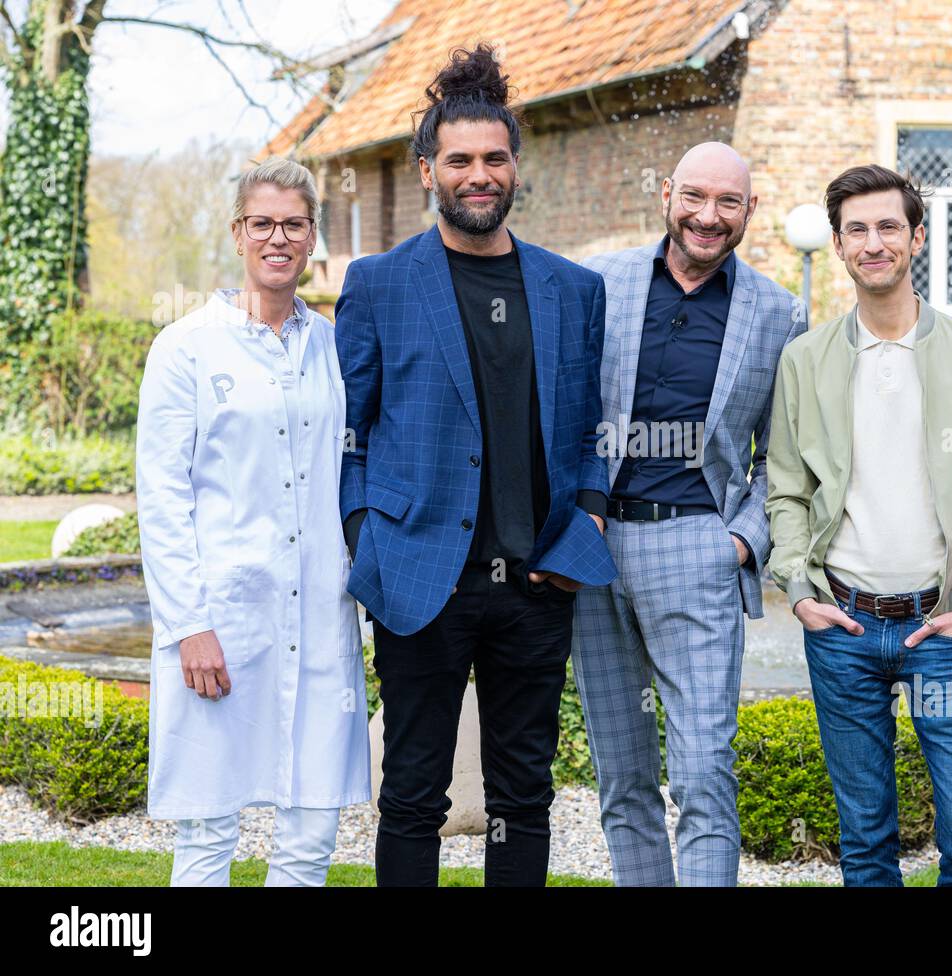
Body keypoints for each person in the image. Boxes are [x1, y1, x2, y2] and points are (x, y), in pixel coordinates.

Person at [334, 44, 615, 887]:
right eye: (460, 160)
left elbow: (595, 429)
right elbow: (347, 431)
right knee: (413, 793)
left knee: (523, 795)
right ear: (428, 171)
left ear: (515, 167)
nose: (480, 174)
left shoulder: (573, 288)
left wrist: (588, 525)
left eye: (495, 158)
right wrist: (366, 537)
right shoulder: (377, 284)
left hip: (536, 585)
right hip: (420, 578)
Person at [765, 164, 952, 886]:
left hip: (942, 631)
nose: (873, 243)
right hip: (842, 627)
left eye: (887, 228)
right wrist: (799, 587)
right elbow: (785, 488)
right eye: (857, 231)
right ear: (840, 246)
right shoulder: (804, 362)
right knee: (866, 838)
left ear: (917, 237)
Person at [572, 142, 806, 886]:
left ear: (749, 212)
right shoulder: (596, 285)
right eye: (696, 197)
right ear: (667, 193)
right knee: (622, 774)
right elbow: (560, 411)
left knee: (704, 771)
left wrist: (740, 542)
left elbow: (787, 455)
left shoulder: (777, 312)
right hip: (593, 545)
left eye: (728, 203)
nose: (709, 216)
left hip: (697, 546)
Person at [137, 157, 370, 887]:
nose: (278, 238)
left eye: (293, 225)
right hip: (223, 623)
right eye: (263, 223)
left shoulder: (333, 347)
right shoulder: (186, 348)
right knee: (208, 834)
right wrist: (188, 624)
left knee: (309, 836)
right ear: (238, 233)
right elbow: (162, 496)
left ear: (311, 238)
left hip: (319, 615)